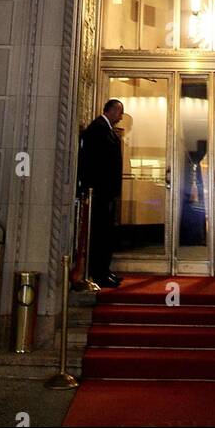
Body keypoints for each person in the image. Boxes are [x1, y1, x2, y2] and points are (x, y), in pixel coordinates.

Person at [78, 98, 124, 288]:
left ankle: (104, 270)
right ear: (110, 111)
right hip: (100, 192)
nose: (121, 117)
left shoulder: (106, 129)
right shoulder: (98, 129)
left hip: (106, 192)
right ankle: (99, 273)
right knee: (100, 234)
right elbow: (94, 161)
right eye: (120, 112)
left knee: (106, 233)